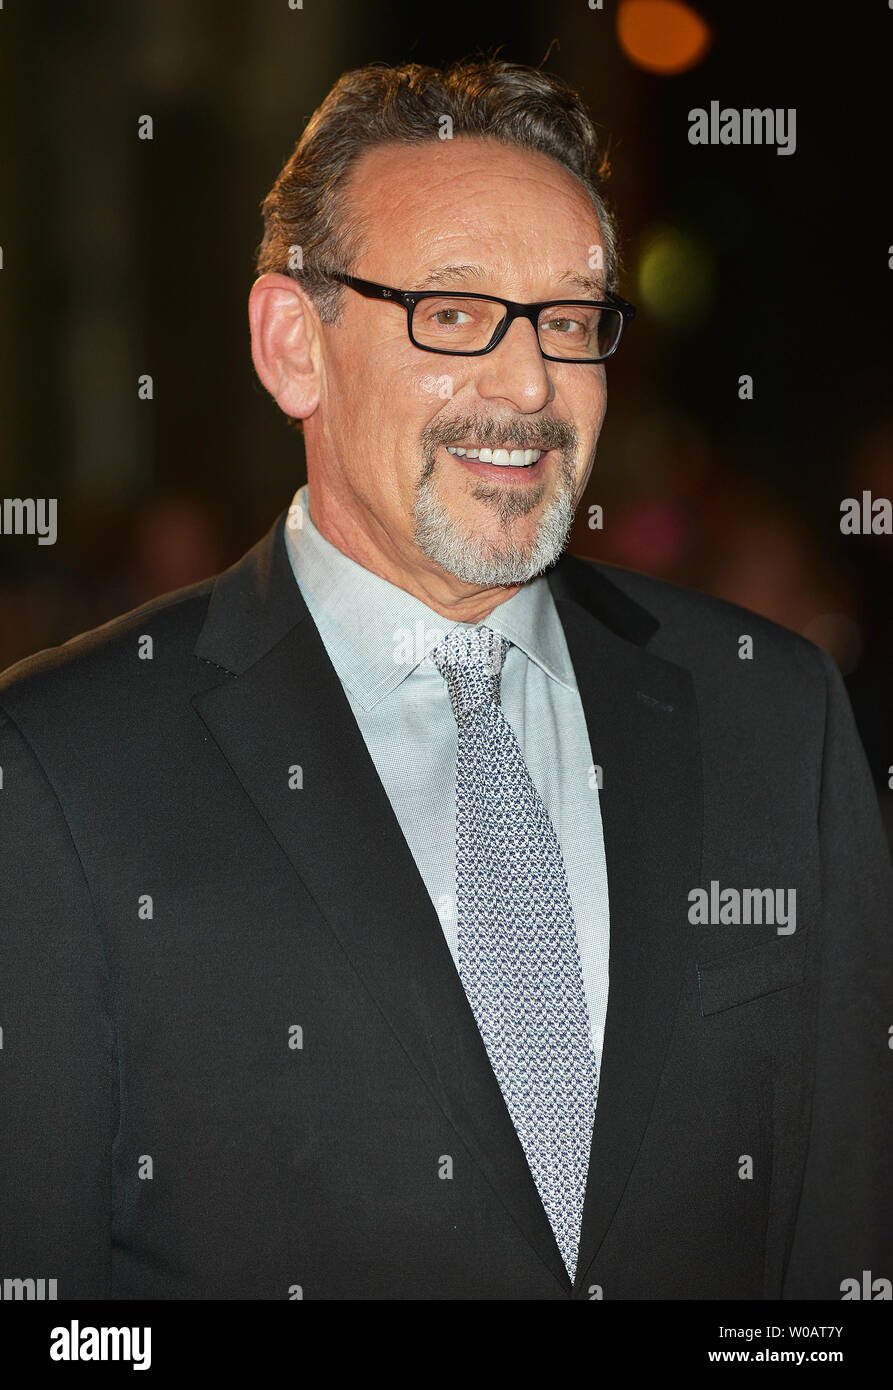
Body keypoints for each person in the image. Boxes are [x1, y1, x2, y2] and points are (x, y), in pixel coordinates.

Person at [1, 58, 890, 1302]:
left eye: (569, 320)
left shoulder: (774, 716)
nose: (528, 386)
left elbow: (840, 1248)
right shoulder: (59, 769)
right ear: (291, 345)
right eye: (455, 312)